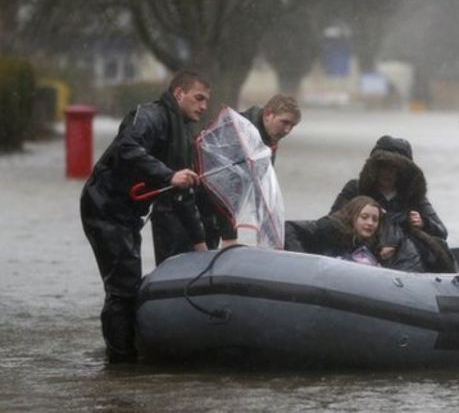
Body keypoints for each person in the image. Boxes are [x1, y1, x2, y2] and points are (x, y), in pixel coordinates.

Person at [80, 70, 211, 363]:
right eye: (198, 98)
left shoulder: (183, 135)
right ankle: (121, 362)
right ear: (179, 93)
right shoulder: (150, 116)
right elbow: (127, 147)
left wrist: (201, 244)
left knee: (128, 284)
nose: (203, 106)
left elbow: (183, 194)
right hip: (104, 206)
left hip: (127, 212)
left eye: (206, 101)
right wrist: (168, 174)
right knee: (123, 288)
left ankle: (127, 353)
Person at [151, 94, 302, 264]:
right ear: (268, 114)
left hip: (211, 217)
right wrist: (229, 235)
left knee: (202, 273)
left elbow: (258, 189)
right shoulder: (236, 133)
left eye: (293, 126)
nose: (287, 130)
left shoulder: (266, 142)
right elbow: (221, 185)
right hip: (180, 211)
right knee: (177, 272)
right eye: (284, 122)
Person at [329, 135, 453, 273]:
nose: (388, 173)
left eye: (394, 168)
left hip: (405, 263)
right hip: (357, 257)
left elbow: (442, 231)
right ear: (374, 168)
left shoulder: (415, 197)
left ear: (404, 171)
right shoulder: (355, 189)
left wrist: (424, 223)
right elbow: (333, 222)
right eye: (383, 167)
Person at [285, 195, 383, 265]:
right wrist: (302, 261)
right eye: (364, 217)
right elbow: (289, 227)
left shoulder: (368, 245)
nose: (370, 223)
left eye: (375, 220)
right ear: (352, 216)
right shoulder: (330, 226)